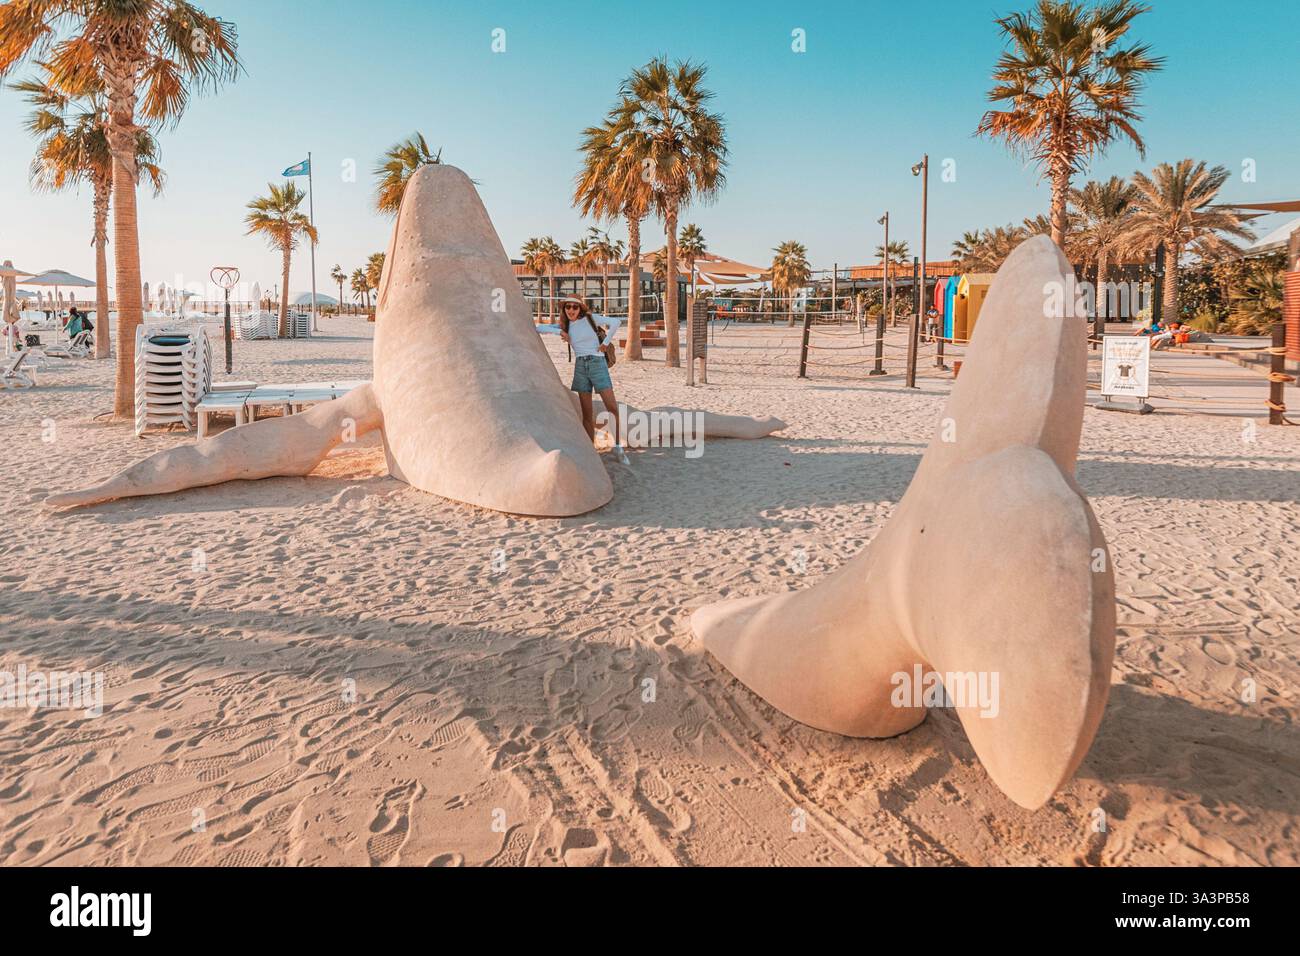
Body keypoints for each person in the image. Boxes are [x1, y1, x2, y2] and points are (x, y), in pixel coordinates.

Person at [559, 296, 628, 465]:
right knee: (587, 413)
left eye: (575, 307)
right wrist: (560, 332)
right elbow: (543, 328)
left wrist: (605, 343)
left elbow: (616, 322)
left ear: (580, 308)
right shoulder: (566, 325)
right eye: (568, 307)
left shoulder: (590, 318)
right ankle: (591, 450)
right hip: (581, 366)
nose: (571, 310)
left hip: (597, 364)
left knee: (612, 408)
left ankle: (618, 447)